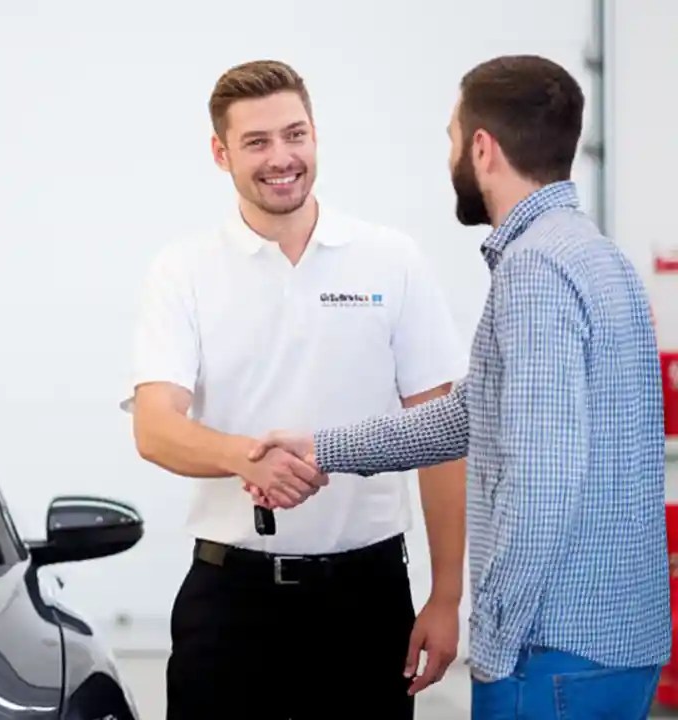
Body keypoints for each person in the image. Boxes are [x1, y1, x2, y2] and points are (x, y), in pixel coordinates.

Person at [249, 54, 672, 718]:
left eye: (451, 137)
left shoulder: (535, 272)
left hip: (550, 654)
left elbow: (544, 478)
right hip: (615, 647)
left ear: (482, 147)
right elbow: (464, 417)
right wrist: (318, 448)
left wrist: (495, 640)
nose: (449, 154)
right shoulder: (594, 256)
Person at [125, 59, 470, 719]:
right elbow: (155, 425)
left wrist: (447, 597)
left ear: (315, 135)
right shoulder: (183, 270)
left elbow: (442, 436)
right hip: (231, 599)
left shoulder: (391, 260)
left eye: (295, 135)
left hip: (367, 600)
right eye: (256, 142)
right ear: (220, 153)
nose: (281, 157)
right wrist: (245, 458)